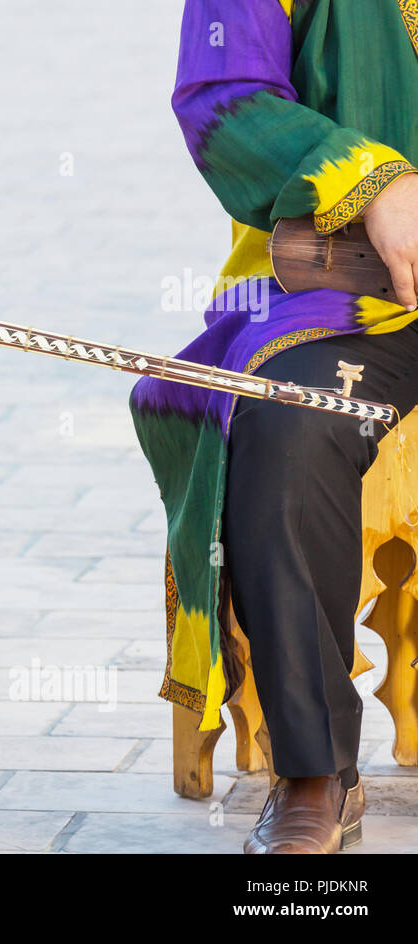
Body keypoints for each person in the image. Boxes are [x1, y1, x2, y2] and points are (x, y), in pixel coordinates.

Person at [132, 0, 418, 854]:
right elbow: (224, 98)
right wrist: (378, 183)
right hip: (341, 292)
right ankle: (316, 770)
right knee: (285, 420)